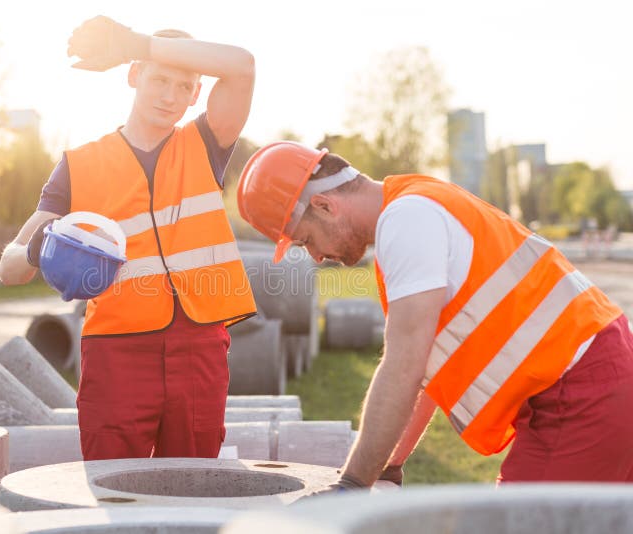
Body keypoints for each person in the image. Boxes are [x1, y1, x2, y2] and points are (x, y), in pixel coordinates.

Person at [237, 141, 633, 490]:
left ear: (324, 205)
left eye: (306, 239)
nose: (317, 256)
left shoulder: (407, 221)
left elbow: (403, 366)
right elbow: (425, 370)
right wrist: (388, 464)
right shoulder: (416, 205)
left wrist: (353, 484)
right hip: (592, 373)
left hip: (579, 391)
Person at [0, 15, 257, 460]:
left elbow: (242, 65)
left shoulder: (205, 143)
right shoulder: (79, 165)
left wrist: (139, 43)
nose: (170, 96)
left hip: (198, 348)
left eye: (184, 86)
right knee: (114, 489)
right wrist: (40, 248)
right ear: (134, 75)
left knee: (193, 487)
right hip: (116, 354)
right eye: (159, 80)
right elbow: (9, 269)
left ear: (198, 93)